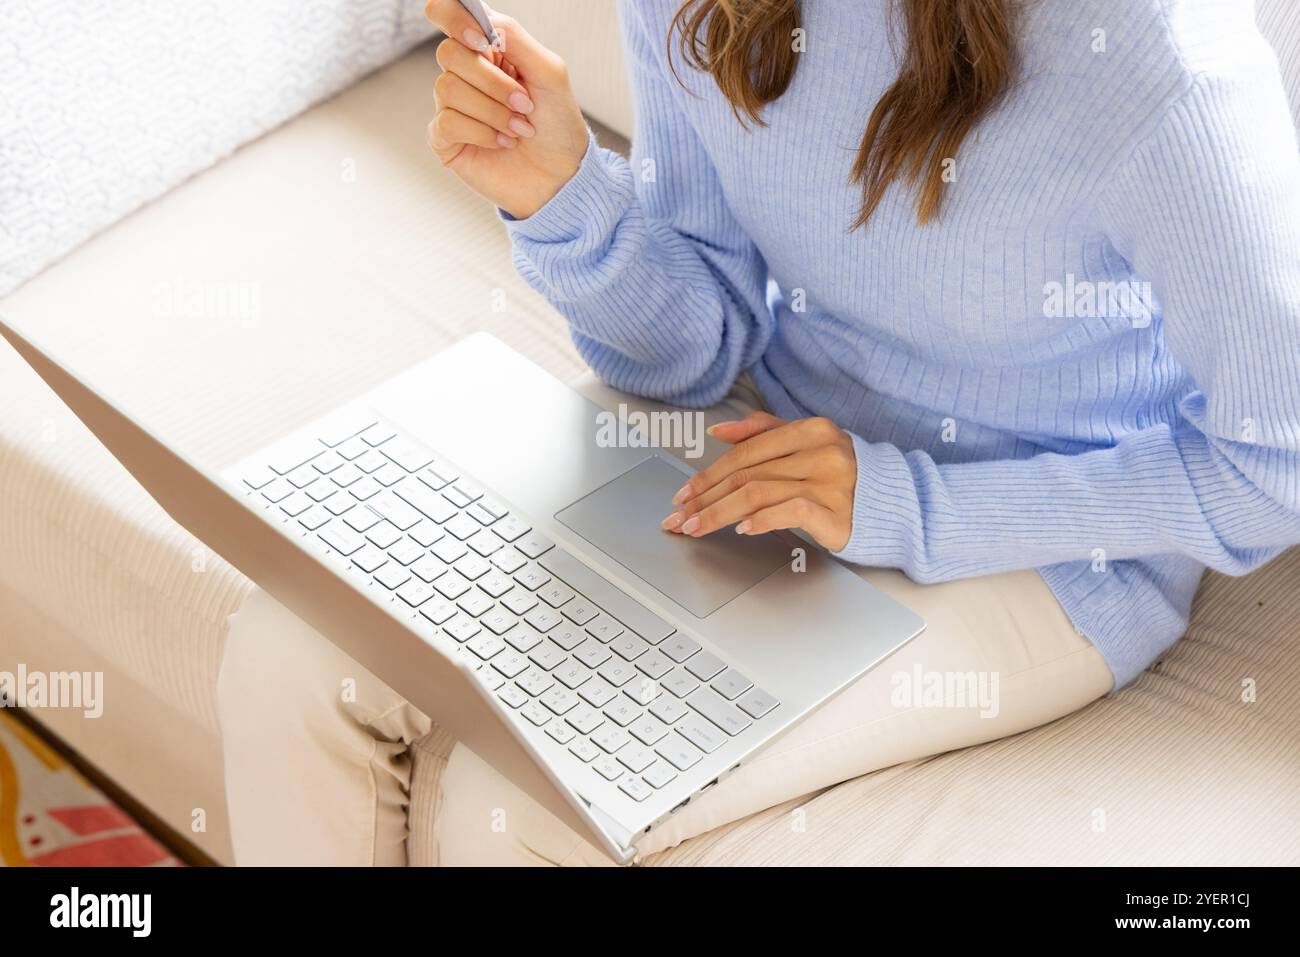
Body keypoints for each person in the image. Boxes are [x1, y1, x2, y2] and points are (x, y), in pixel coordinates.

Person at [220, 0, 1300, 865]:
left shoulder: (1155, 56)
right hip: (764, 434)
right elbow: (694, 348)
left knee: (517, 811)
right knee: (289, 650)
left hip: (1037, 547)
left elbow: (1276, 465)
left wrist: (901, 504)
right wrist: (563, 198)